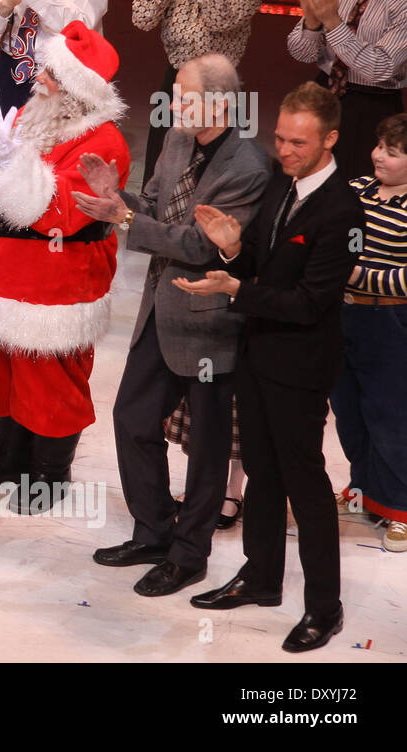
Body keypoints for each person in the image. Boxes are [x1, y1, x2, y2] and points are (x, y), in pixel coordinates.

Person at [73, 54, 270, 597]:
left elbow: (203, 245)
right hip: (160, 310)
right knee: (133, 418)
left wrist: (128, 219)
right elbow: (156, 210)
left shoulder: (249, 166)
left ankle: (190, 554)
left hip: (210, 324)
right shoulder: (177, 141)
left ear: (221, 102)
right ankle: (154, 531)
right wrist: (119, 201)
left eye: (184, 95)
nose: (172, 102)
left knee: (207, 448)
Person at [180, 81, 364, 653]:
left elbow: (311, 302)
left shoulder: (343, 210)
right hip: (258, 355)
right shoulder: (283, 187)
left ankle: (324, 608)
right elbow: (262, 261)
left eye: (298, 143)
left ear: (331, 140)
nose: (283, 151)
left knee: (305, 487)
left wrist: (238, 287)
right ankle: (261, 578)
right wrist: (234, 249)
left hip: (302, 368)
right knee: (261, 470)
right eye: (280, 138)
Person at [0, 20, 129, 513]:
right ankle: (9, 454)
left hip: (55, 280)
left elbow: (55, 213)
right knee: (3, 368)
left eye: (51, 73)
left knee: (49, 378)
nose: (38, 79)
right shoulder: (39, 118)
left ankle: (50, 472)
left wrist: (8, 158)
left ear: (75, 89)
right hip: (3, 268)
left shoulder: (103, 143)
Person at [131, 0, 266, 184]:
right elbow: (141, 19)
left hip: (218, 91)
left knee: (208, 178)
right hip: (175, 86)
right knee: (160, 171)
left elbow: (219, 20)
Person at [331, 113, 407, 552]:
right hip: (342, 316)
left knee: (391, 415)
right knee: (348, 408)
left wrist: (357, 274)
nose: (378, 155)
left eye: (392, 153)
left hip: (390, 322)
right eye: (379, 146)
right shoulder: (356, 188)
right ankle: (363, 493)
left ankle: (399, 506)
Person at [287, 0, 407, 179]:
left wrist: (332, 23)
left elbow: (380, 67)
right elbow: (301, 53)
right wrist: (312, 23)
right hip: (322, 93)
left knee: (351, 188)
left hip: (370, 106)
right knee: (300, 177)